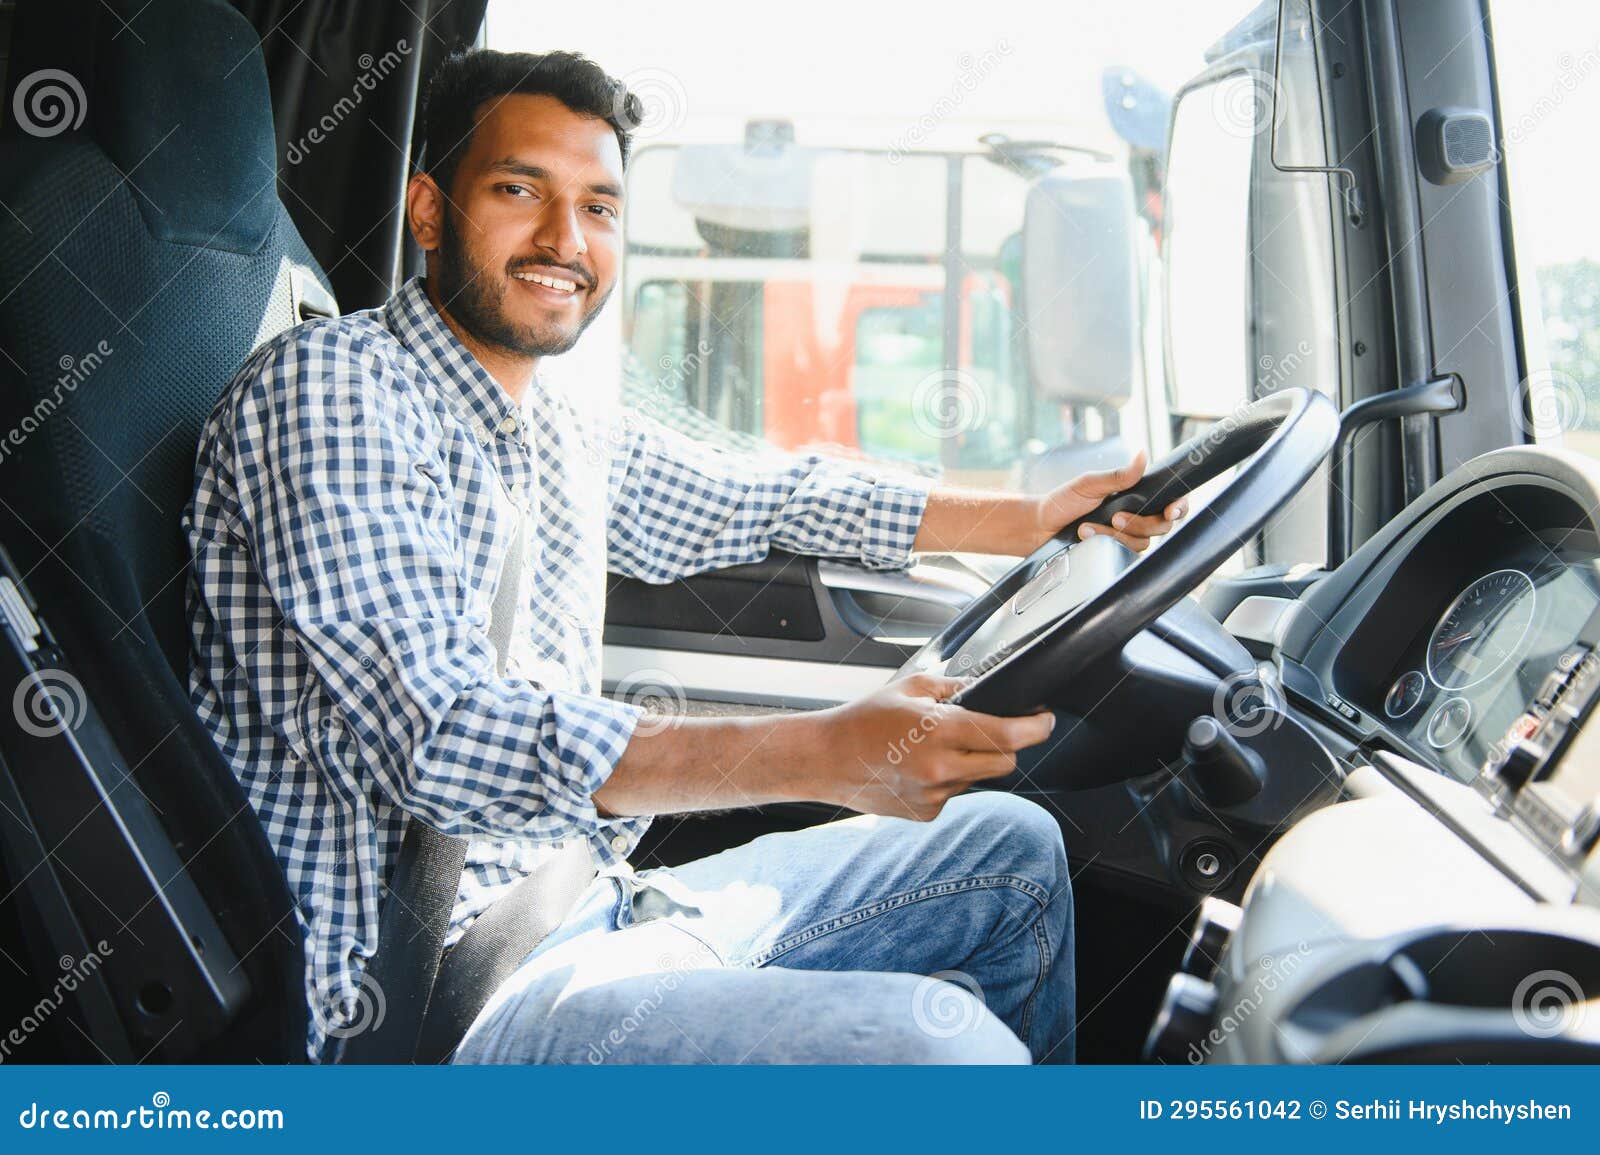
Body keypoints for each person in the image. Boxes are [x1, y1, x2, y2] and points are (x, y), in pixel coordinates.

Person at [185, 48, 1186, 1065]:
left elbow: (761, 497)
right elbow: (444, 736)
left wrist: (1029, 517)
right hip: (428, 998)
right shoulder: (335, 389)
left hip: (582, 901)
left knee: (1011, 854)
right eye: (520, 191)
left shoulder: (552, 424)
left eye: (599, 207)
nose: (565, 239)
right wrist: (830, 753)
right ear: (431, 211)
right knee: (938, 1052)